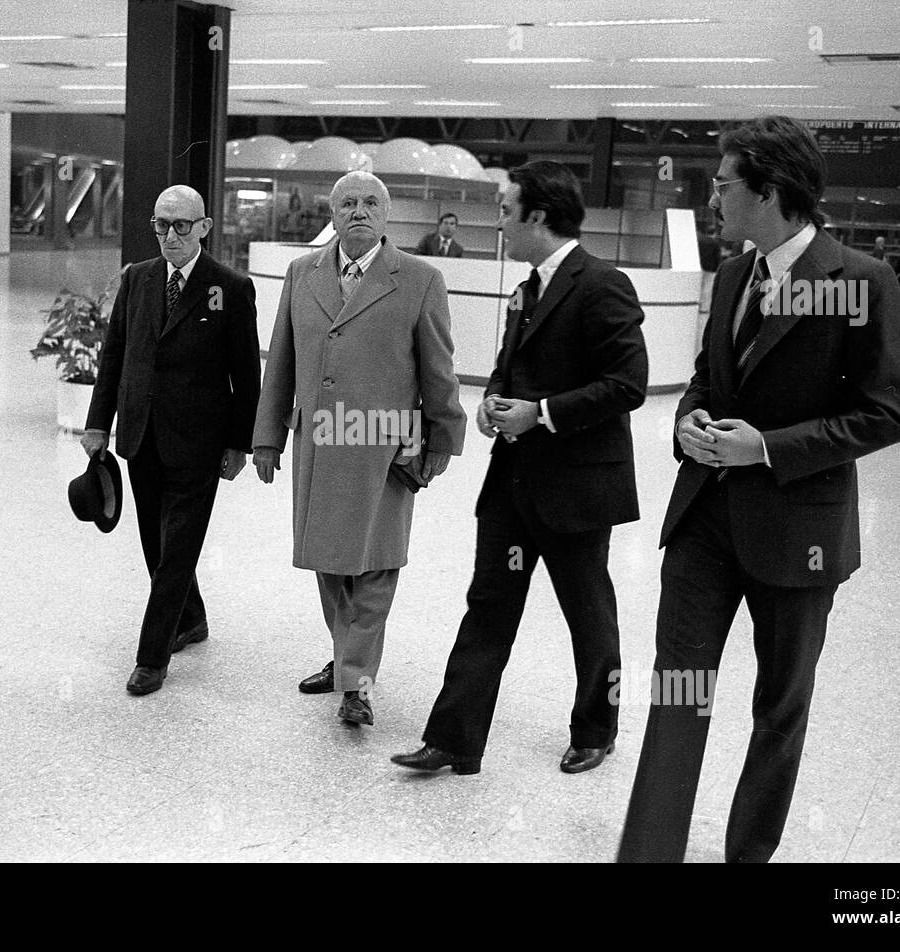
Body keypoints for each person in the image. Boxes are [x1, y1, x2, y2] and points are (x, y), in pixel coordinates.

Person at [616, 115, 900, 863]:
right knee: (679, 689)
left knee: (779, 707)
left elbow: (888, 412)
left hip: (799, 535)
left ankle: (748, 854)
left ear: (770, 190)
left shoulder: (862, 281)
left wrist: (769, 449)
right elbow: (708, 379)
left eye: (724, 185)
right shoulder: (731, 276)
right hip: (704, 521)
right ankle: (650, 852)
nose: (713, 196)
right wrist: (687, 421)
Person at [391, 161, 648, 777]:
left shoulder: (602, 284)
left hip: (576, 488)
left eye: (507, 211)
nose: (500, 223)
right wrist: (493, 401)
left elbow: (628, 383)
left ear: (538, 216)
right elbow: (511, 368)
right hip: (512, 484)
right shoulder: (527, 287)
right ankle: (453, 740)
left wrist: (543, 413)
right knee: (488, 606)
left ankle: (597, 729)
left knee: (588, 612)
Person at [251, 170, 466, 726]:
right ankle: (348, 660)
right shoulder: (302, 273)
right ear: (333, 214)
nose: (359, 211)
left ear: (386, 215)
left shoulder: (419, 279)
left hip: (385, 447)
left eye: (371, 202)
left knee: (375, 568)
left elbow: (439, 369)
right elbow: (281, 360)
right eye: (347, 203)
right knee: (328, 562)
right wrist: (267, 436)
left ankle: (356, 684)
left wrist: (442, 437)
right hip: (319, 443)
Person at [82, 185, 261, 696]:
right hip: (141, 435)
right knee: (156, 546)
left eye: (182, 225)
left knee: (178, 550)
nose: (170, 236)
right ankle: (191, 618)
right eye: (161, 225)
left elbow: (247, 374)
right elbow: (114, 355)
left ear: (204, 227)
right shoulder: (137, 279)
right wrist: (98, 423)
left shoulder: (229, 287)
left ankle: (151, 657)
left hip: (199, 443)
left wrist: (239, 444)